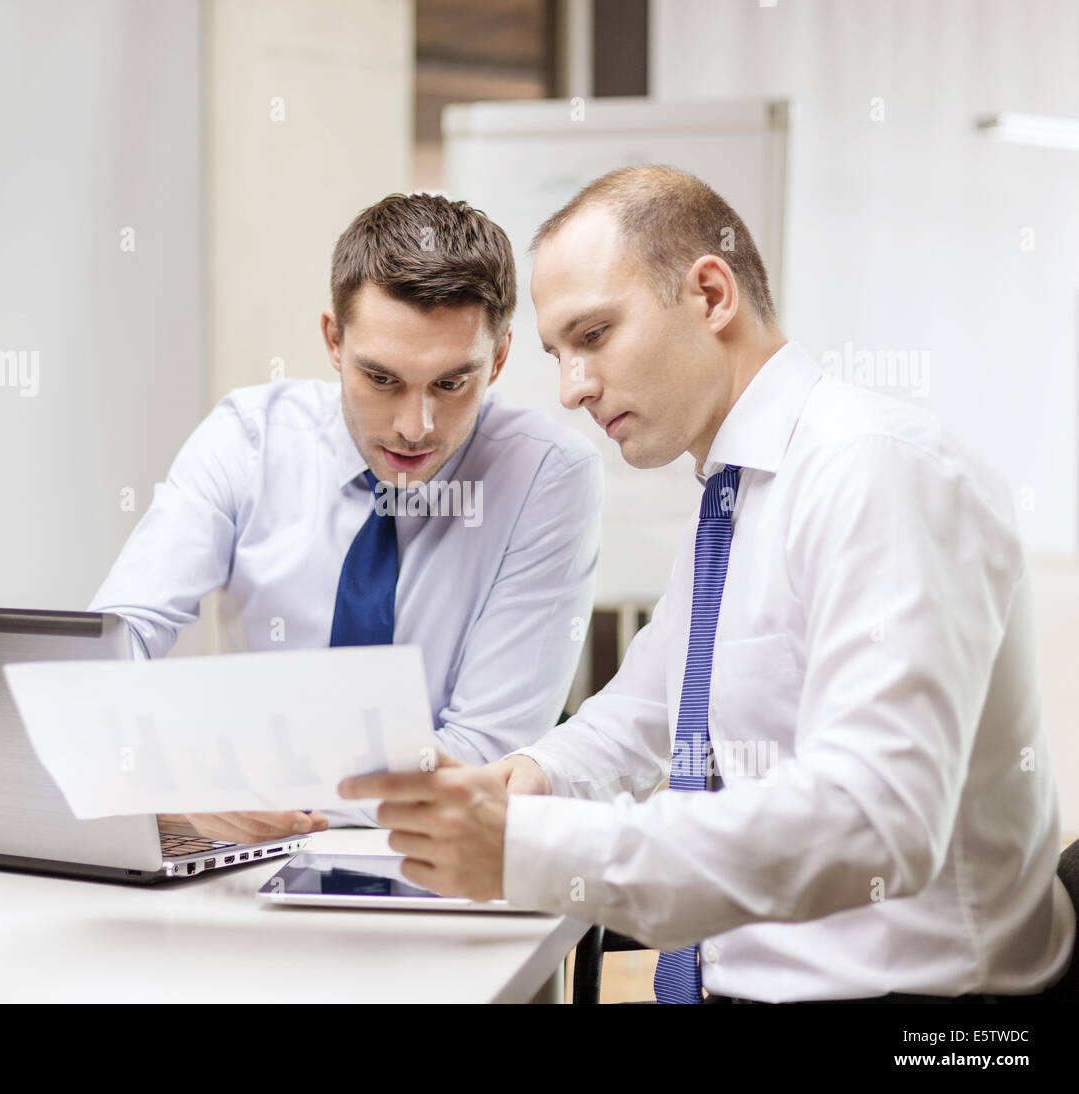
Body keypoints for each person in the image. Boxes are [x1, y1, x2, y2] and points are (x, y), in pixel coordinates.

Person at [340, 165, 1076, 1003]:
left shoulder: (876, 473)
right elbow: (645, 710)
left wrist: (529, 848)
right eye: (557, 354)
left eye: (593, 336)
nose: (571, 389)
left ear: (712, 295)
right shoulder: (735, 493)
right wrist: (523, 782)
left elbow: (878, 818)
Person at [89, 192, 603, 840]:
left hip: (435, 875)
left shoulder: (546, 476)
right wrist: (169, 780)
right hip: (246, 870)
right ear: (334, 340)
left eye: (451, 384)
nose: (414, 427)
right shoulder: (249, 439)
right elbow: (116, 641)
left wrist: (241, 789)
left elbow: (481, 760)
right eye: (381, 378)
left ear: (498, 358)